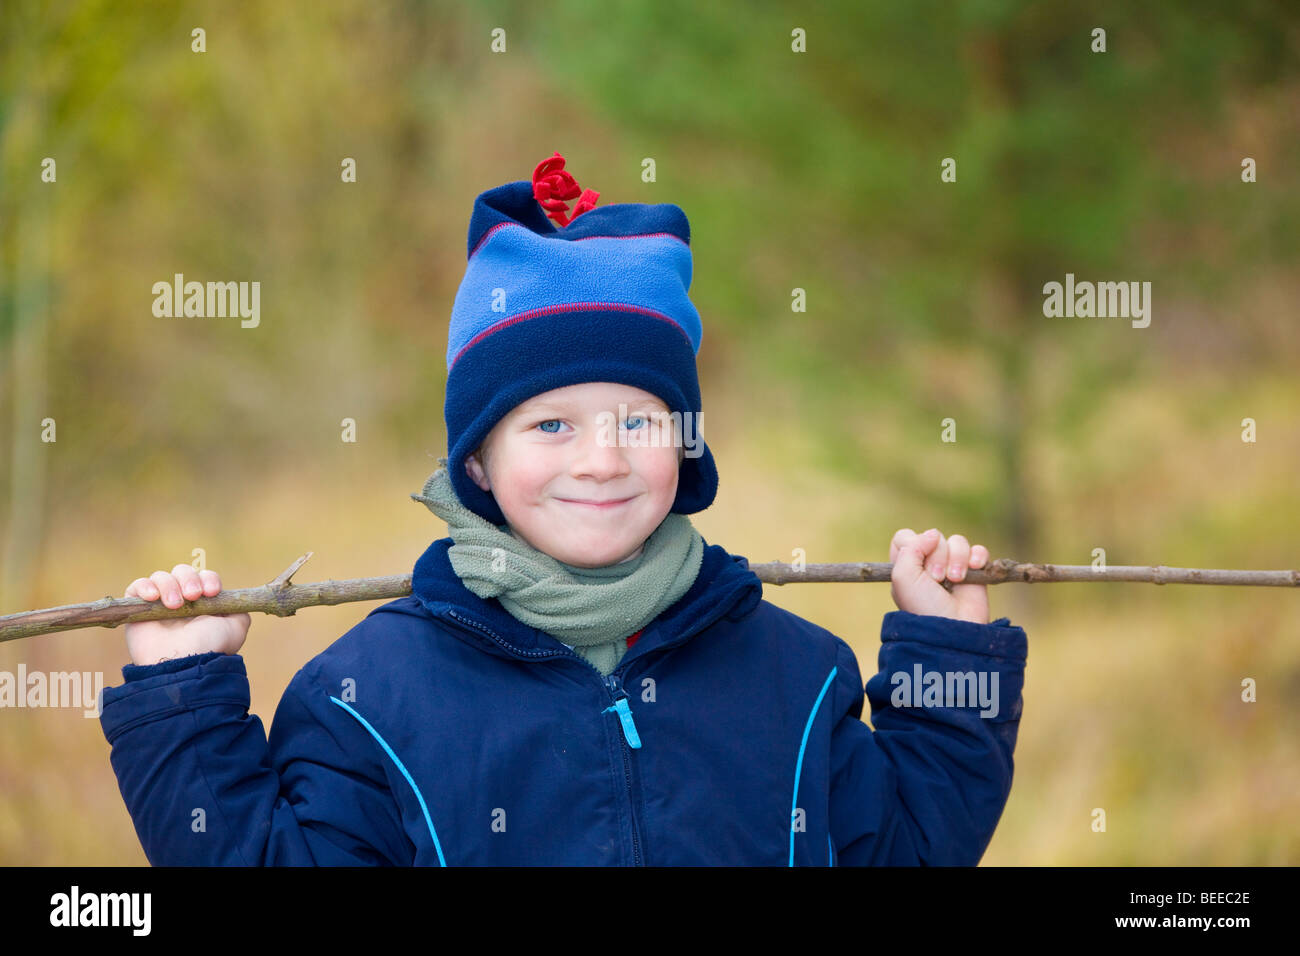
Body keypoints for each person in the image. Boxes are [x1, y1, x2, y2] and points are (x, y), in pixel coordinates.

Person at [103, 152, 1028, 865]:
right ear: (479, 460)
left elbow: (912, 848)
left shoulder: (797, 678)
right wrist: (184, 707)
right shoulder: (369, 700)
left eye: (639, 417)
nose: (604, 459)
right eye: (550, 424)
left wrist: (950, 659)